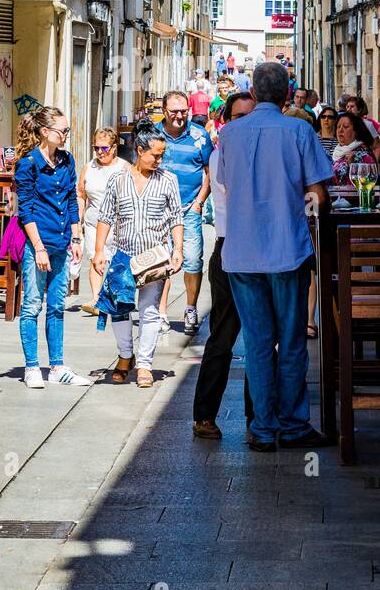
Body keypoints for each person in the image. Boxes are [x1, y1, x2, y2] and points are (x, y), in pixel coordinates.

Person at [217, 62, 334, 450]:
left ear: (253, 93)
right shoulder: (299, 130)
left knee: (257, 343)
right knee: (292, 340)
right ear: (287, 95)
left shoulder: (230, 134)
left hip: (242, 253)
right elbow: (319, 195)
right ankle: (293, 423)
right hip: (287, 250)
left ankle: (263, 428)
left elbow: (227, 183)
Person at [93, 120, 184, 388]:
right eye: (155, 154)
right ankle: (125, 356)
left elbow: (176, 218)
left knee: (150, 311)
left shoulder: (169, 181)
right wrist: (99, 251)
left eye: (162, 155)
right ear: (140, 150)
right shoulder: (117, 180)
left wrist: (177, 250)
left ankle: (144, 363)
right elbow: (106, 216)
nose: (159, 159)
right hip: (123, 255)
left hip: (154, 257)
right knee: (119, 309)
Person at [193, 90, 257, 439]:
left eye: (251, 116)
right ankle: (204, 415)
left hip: (258, 252)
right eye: (238, 117)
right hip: (230, 250)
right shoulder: (221, 156)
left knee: (262, 340)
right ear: (225, 123)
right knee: (223, 335)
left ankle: (255, 418)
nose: (245, 124)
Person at [13, 105, 92, 388]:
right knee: (32, 305)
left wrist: (77, 237)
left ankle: (57, 366)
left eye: (68, 130)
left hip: (62, 242)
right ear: (45, 132)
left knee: (57, 306)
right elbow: (26, 211)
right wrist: (39, 248)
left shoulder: (67, 160)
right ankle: (32, 367)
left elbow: (72, 199)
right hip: (39, 244)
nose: (66, 135)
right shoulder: (28, 164)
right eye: (63, 130)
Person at [155, 91, 213, 336]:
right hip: (158, 210)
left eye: (184, 111)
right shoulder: (152, 134)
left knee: (192, 259)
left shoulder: (200, 136)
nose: (179, 116)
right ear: (164, 111)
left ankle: (190, 308)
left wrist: (200, 202)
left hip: (189, 208)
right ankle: (160, 312)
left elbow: (211, 171)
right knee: (160, 261)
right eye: (174, 111)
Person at [76, 127, 127, 317]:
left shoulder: (124, 168)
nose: (99, 152)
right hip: (93, 223)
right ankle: (96, 299)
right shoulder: (89, 167)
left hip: (117, 224)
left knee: (115, 262)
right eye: (96, 148)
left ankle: (114, 298)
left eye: (104, 148)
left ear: (113, 148)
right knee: (95, 260)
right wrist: (78, 222)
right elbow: (81, 194)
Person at [332, 111, 380, 184]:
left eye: (346, 127)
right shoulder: (338, 151)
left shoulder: (365, 155)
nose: (340, 130)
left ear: (356, 131)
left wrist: (352, 165)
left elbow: (368, 183)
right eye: (338, 127)